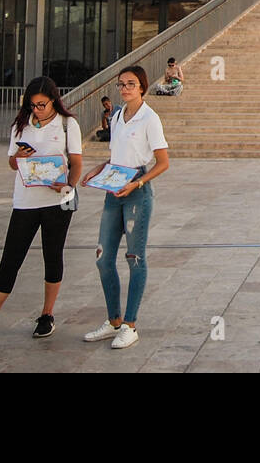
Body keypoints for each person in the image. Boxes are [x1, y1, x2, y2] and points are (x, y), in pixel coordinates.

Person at [0, 76, 82, 342]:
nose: (37, 109)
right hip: (25, 201)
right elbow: (12, 162)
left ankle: (47, 315)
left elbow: (77, 162)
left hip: (57, 201)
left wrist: (68, 184)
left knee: (52, 257)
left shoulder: (68, 125)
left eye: (42, 104)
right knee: (11, 259)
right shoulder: (20, 125)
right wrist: (18, 158)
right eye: (32, 105)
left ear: (54, 100)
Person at [80, 65, 170, 350]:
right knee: (103, 257)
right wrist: (97, 169)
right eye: (121, 84)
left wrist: (138, 184)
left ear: (142, 87)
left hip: (136, 191)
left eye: (131, 84)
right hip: (113, 188)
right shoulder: (117, 116)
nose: (125, 88)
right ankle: (114, 320)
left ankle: (130, 325)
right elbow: (115, 156)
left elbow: (163, 162)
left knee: (135, 258)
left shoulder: (149, 119)